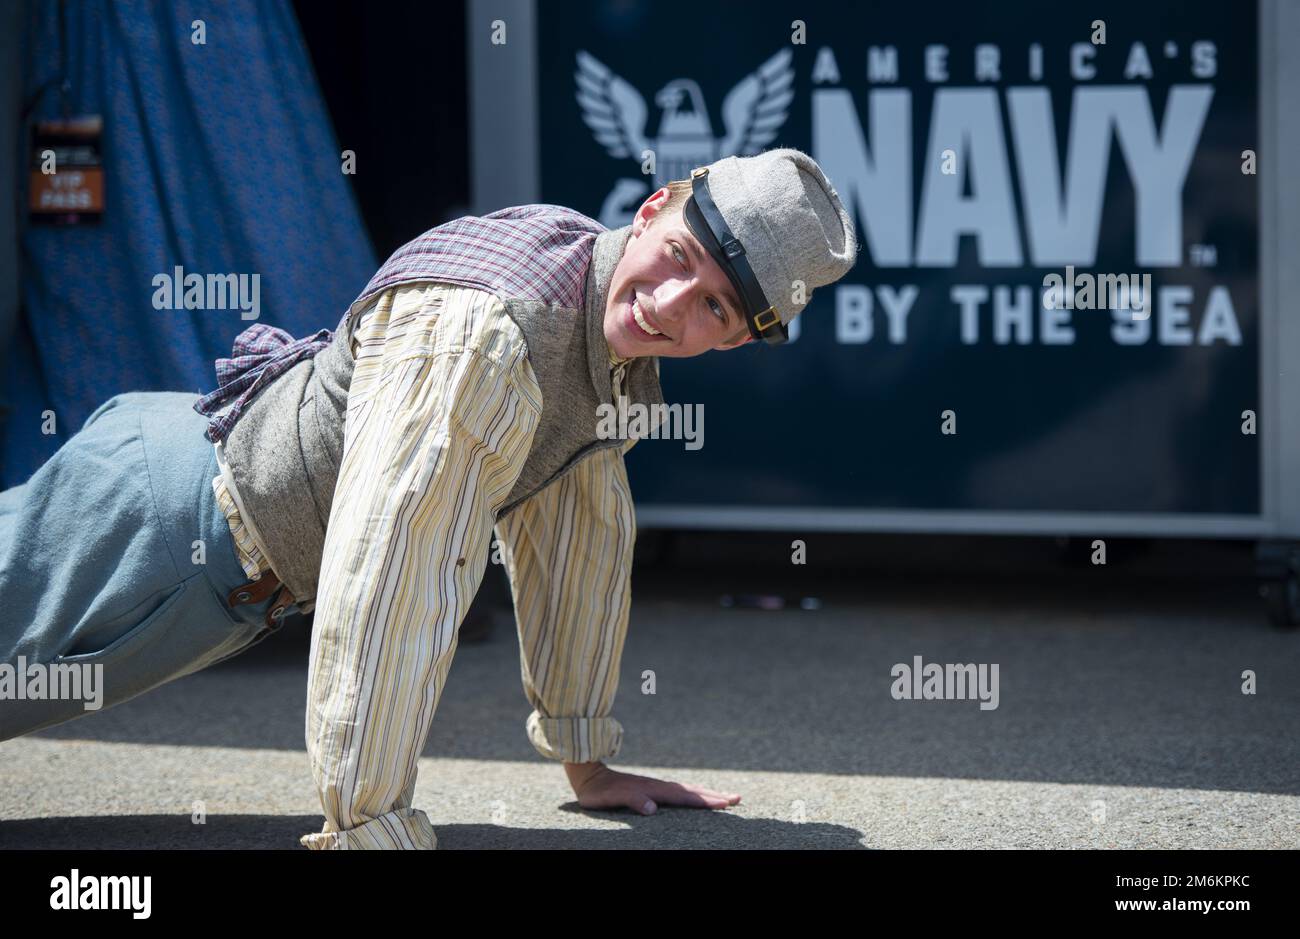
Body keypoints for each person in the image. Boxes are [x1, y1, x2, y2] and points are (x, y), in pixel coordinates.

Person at [0, 147, 858, 849]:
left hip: (217, 584)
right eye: (680, 257)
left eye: (713, 308)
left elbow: (576, 539)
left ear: (741, 339)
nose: (672, 307)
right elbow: (394, 562)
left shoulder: (611, 365)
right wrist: (370, 817)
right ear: (652, 208)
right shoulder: (487, 328)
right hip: (153, 517)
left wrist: (586, 756)